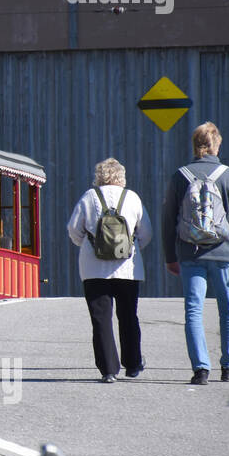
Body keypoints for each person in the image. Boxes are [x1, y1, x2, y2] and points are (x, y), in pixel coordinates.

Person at [162, 122, 229, 385]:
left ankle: (201, 369)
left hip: (190, 252)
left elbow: (168, 219)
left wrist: (170, 255)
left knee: (193, 309)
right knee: (228, 309)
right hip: (223, 253)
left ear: (195, 145)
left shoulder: (180, 176)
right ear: (216, 144)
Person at [67, 158, 153, 383]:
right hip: (127, 268)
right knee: (128, 315)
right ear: (121, 176)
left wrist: (88, 245)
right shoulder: (132, 197)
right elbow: (146, 232)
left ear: (99, 176)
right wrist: (130, 247)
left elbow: (74, 229)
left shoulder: (89, 196)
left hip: (94, 268)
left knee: (101, 318)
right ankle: (133, 364)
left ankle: (108, 369)